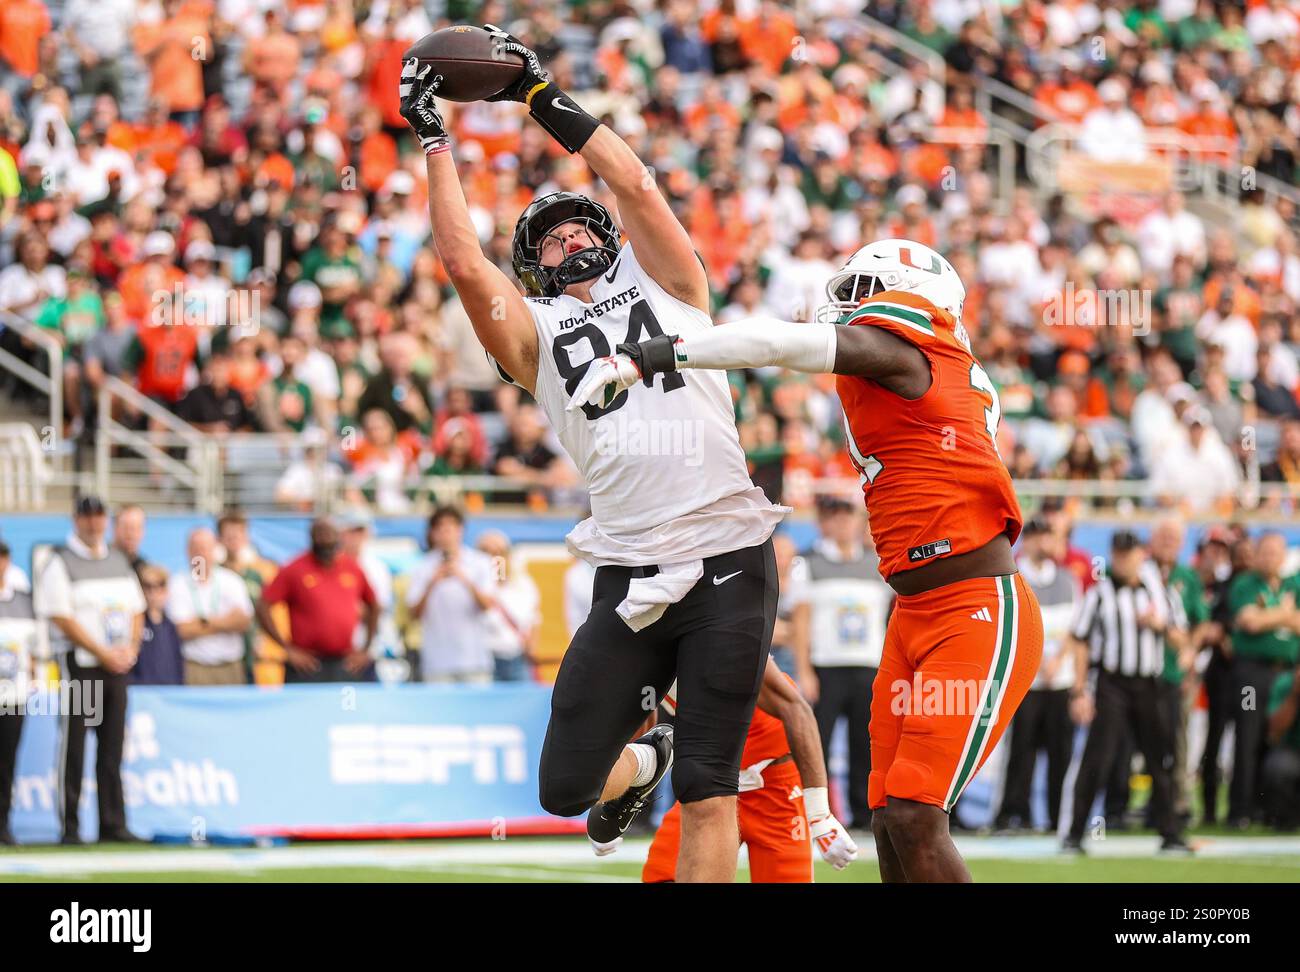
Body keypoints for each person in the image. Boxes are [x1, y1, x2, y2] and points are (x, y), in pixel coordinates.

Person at [401, 28, 788, 882]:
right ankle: (643, 761)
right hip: (630, 563)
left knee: (712, 786)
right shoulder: (534, 338)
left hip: (727, 551)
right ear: (533, 268)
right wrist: (435, 139)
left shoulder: (675, 289)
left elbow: (636, 182)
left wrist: (539, 95)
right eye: (551, 239)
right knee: (563, 786)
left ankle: (676, 768)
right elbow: (463, 262)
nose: (571, 240)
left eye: (582, 226)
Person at [575, 237, 1043, 882]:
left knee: (913, 814)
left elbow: (777, 345)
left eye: (860, 294)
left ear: (911, 295)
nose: (847, 310)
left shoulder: (911, 349)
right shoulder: (908, 370)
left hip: (975, 603)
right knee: (886, 817)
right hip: (914, 611)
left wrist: (650, 356)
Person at [640, 657, 857, 882]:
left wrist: (820, 814)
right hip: (711, 781)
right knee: (662, 874)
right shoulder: (642, 645)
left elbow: (797, 709)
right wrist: (619, 801)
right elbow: (641, 712)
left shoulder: (721, 633)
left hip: (772, 786)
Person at [1062, 530, 1191, 854]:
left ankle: (1170, 832)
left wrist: (1159, 625)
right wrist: (1079, 691)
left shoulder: (1160, 593)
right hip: (1112, 684)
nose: (1123, 560)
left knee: (1160, 758)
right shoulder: (1100, 594)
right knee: (1098, 758)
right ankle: (1075, 834)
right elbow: (1080, 640)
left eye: (1129, 554)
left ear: (1140, 555)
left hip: (1150, 684)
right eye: (1118, 555)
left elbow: (1182, 640)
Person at [34, 495, 145, 844]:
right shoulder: (60, 562)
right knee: (75, 746)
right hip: (82, 668)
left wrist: (131, 648)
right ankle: (70, 827)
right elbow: (61, 617)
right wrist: (100, 651)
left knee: (113, 747)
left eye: (99, 517)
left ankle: (113, 823)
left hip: (116, 667)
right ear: (75, 520)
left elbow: (136, 609)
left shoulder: (118, 559)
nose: (94, 524)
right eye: (88, 517)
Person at [789, 496, 892, 830]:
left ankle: (863, 814)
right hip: (827, 666)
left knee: (866, 745)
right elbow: (801, 620)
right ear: (824, 523)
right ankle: (815, 813)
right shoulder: (809, 563)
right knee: (817, 742)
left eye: (849, 517)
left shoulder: (876, 563)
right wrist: (804, 669)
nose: (844, 524)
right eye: (836, 517)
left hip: (867, 665)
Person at [996, 516, 1078, 833]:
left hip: (1059, 681)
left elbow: (1075, 628)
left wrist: (1058, 660)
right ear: (1026, 541)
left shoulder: (1068, 580)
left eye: (1049, 535)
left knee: (1060, 754)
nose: (1045, 542)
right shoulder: (1013, 577)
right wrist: (1036, 661)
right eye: (1039, 536)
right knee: (1021, 753)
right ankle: (1014, 814)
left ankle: (1058, 818)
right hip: (1025, 683)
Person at [1224, 532, 1300, 827]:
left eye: (1275, 552)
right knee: (1248, 735)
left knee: (1279, 738)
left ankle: (1269, 808)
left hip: (1285, 672)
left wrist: (1270, 615)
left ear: (1283, 556)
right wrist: (1285, 613)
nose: (1269, 557)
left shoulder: (1292, 583)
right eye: (1264, 551)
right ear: (1255, 554)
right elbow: (1249, 622)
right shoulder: (1245, 583)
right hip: (1251, 674)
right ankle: (1240, 809)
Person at [255, 518, 378, 683]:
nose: (326, 540)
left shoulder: (352, 568)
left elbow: (374, 604)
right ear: (312, 538)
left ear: (338, 538)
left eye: (330, 536)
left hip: (345, 662)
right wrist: (287, 649)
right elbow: (263, 605)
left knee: (346, 707)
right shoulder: (294, 569)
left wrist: (366, 648)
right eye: (320, 535)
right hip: (307, 665)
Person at [404, 507, 499, 684]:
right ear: (432, 533)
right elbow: (413, 614)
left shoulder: (481, 562)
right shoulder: (422, 567)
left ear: (460, 530)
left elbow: (488, 605)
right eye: (439, 528)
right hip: (437, 662)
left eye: (449, 528)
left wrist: (463, 578)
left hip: (475, 660)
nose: (445, 534)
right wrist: (432, 583)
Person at [0, 539, 46, 845]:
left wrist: (32, 678)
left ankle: (2, 825)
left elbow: (33, 648)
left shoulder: (23, 601)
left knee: (6, 762)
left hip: (12, 697)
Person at [166, 529, 254, 685]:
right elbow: (182, 630)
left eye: (206, 548)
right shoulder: (177, 584)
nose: (201, 554)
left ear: (215, 550)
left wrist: (203, 622)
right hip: (195, 667)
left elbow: (243, 622)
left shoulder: (232, 581)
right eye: (196, 548)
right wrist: (226, 622)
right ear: (188, 551)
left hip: (230, 667)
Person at [477, 531, 540, 683]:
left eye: (499, 552)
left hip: (517, 659)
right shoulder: (474, 588)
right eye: (486, 552)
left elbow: (533, 619)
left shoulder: (523, 584)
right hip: (485, 661)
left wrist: (530, 646)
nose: (494, 558)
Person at [133, 564, 184, 686]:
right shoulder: (135, 625)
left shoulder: (171, 627)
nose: (154, 593)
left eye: (160, 586)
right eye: (148, 587)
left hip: (169, 694)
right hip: (141, 693)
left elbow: (178, 663)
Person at [1262, 666, 1300, 830]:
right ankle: (1286, 818)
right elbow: (1274, 732)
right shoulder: (1285, 683)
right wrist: (1294, 695)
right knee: (1280, 768)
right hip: (1292, 748)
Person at [111, 503, 146, 576]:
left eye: (137, 528)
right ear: (114, 528)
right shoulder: (98, 562)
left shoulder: (144, 570)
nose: (131, 534)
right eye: (126, 528)